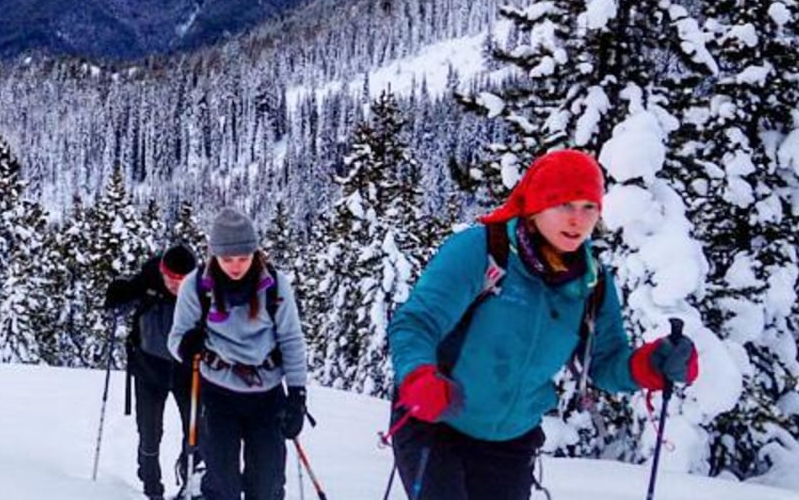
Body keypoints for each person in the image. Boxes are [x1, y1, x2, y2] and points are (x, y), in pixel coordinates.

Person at [386, 148, 700, 500]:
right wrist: (418, 375)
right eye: (564, 204)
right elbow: (415, 322)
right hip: (437, 422)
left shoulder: (591, 284)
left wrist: (649, 365)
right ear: (535, 208)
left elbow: (606, 363)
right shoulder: (483, 251)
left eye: (589, 207)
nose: (577, 220)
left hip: (511, 441)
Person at [167, 208, 310, 500]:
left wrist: (297, 395)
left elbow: (292, 340)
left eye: (243, 258)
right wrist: (186, 346)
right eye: (227, 258)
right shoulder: (196, 287)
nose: (235, 266)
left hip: (267, 395)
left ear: (255, 253)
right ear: (214, 255)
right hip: (218, 394)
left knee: (267, 485)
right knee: (222, 485)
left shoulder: (275, 286)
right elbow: (176, 339)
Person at [105, 243, 201, 500]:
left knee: (195, 433)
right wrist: (116, 297)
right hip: (149, 368)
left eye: (182, 280)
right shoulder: (149, 279)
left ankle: (190, 482)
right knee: (149, 431)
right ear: (162, 270)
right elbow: (125, 295)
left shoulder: (202, 290)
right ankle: (150, 486)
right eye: (171, 278)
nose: (176, 285)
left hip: (188, 373)